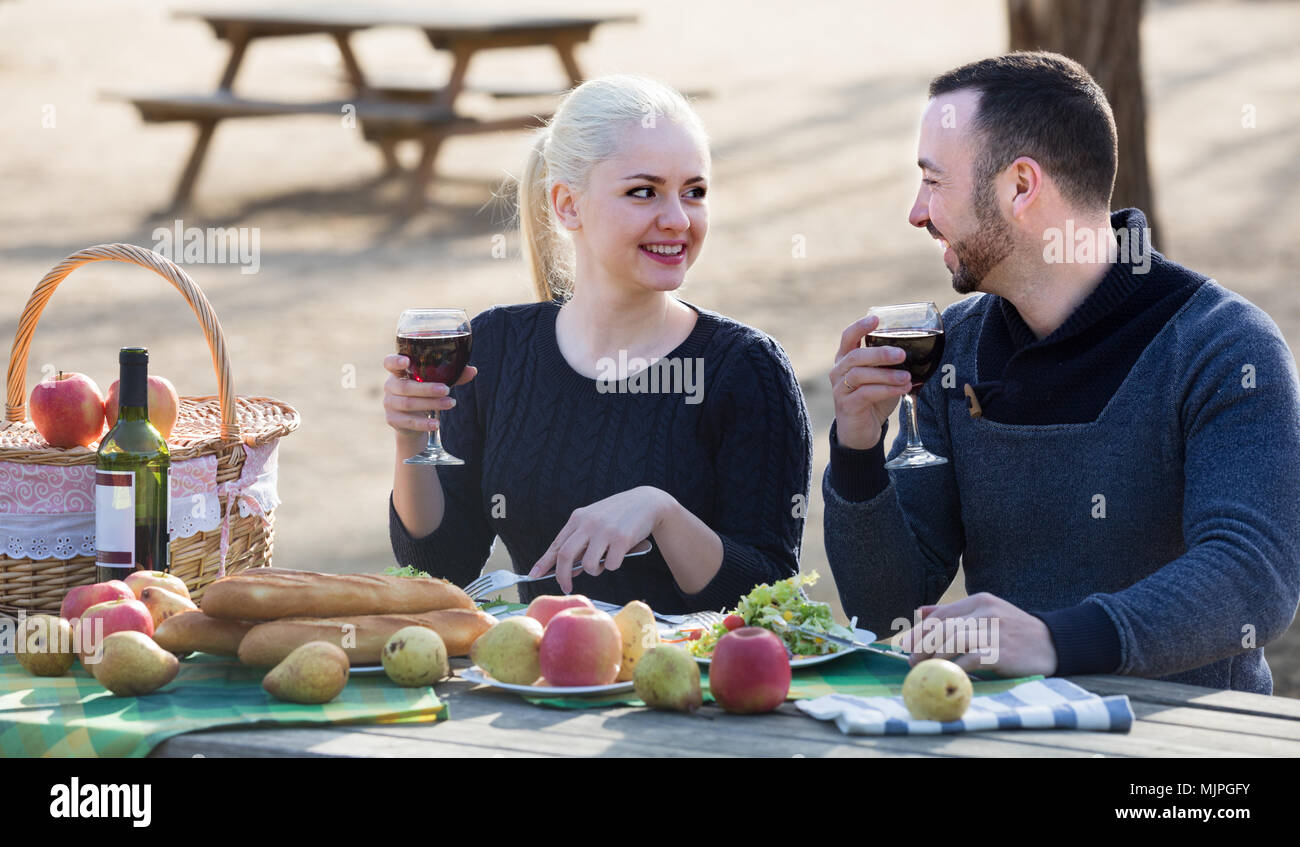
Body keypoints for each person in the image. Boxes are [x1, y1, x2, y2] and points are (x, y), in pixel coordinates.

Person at [824, 51, 1300, 694]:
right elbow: (886, 610)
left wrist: (1054, 640)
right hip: (1011, 734)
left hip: (1186, 754)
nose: (916, 212)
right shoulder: (952, 350)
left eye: (934, 182)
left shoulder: (1224, 348)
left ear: (1021, 186)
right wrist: (857, 451)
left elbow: (1253, 576)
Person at [385, 75, 812, 614]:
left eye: (694, 192)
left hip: (691, 689)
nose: (678, 220)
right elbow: (439, 569)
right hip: (539, 686)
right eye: (644, 191)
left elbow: (770, 597)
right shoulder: (495, 347)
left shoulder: (746, 368)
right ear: (567, 204)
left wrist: (662, 512)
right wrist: (411, 441)